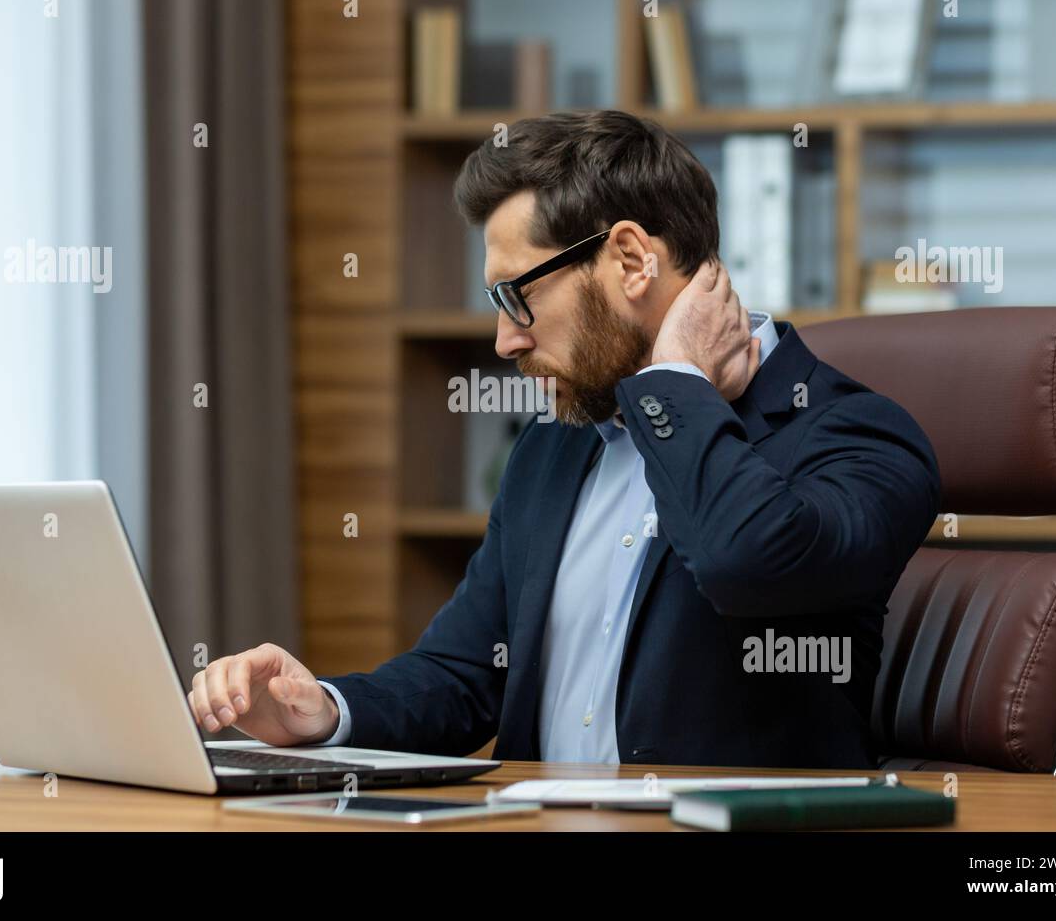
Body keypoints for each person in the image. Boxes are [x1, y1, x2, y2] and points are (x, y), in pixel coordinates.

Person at [187, 109, 940, 767]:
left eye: (519, 294)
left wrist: (677, 383)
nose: (505, 341)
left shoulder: (858, 435)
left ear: (631, 259)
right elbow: (465, 675)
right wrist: (320, 710)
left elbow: (742, 560)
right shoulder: (556, 446)